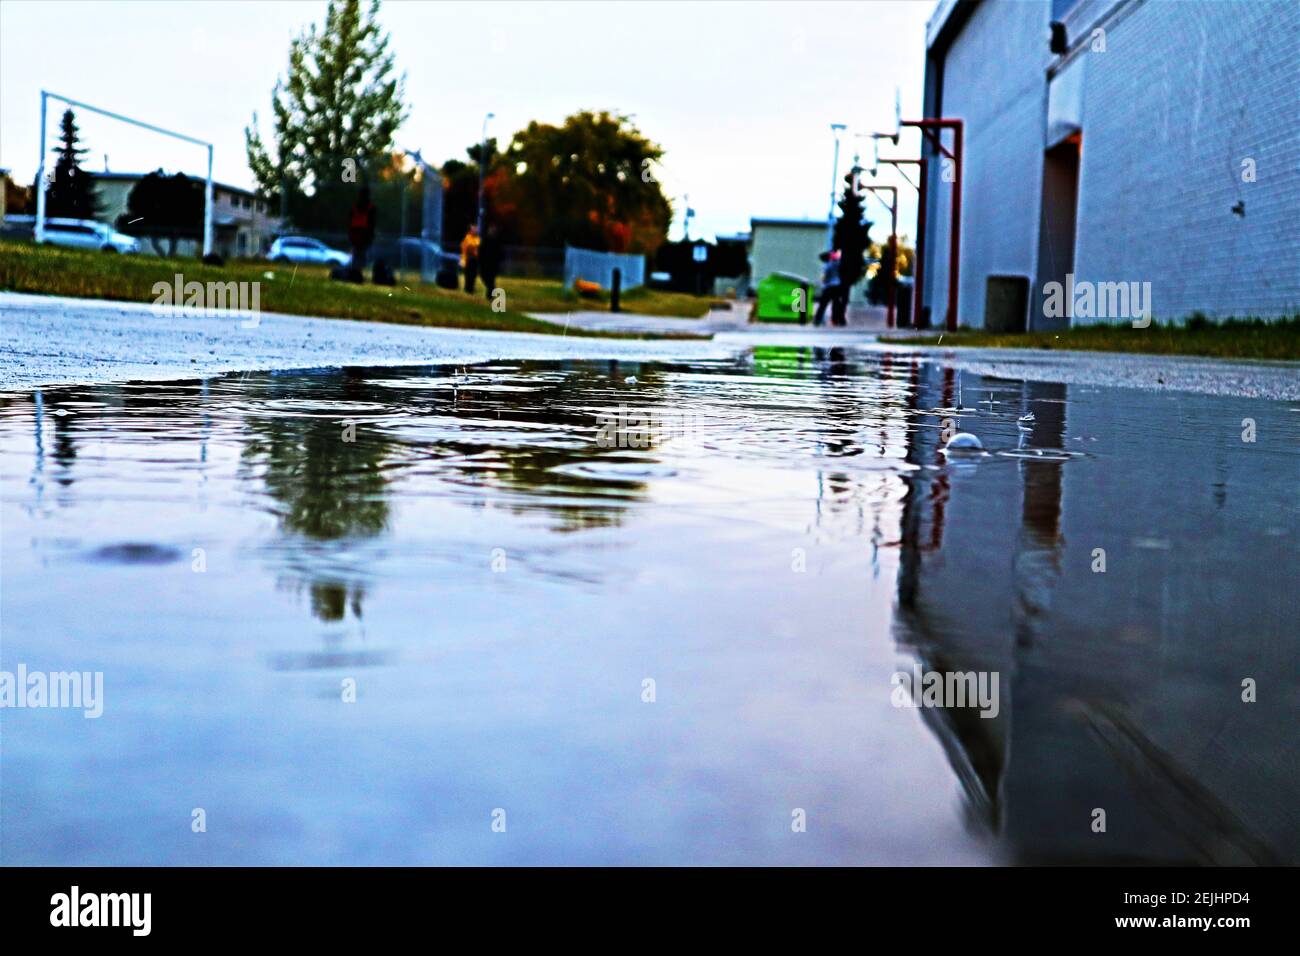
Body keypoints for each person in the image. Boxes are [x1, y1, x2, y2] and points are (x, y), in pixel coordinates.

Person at [347, 186, 377, 281]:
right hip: (364, 237)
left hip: (355, 237)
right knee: (363, 257)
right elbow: (372, 224)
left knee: (357, 256)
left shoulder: (355, 207)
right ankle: (358, 275)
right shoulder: (371, 208)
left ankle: (356, 274)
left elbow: (349, 222)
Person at [813, 250, 841, 327]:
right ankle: (835, 320)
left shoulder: (827, 265)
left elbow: (824, 277)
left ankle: (817, 320)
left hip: (829, 287)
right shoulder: (837, 263)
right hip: (837, 286)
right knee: (835, 304)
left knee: (823, 304)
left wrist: (821, 282)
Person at [479, 224, 503, 300]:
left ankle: (489, 295)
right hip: (485, 264)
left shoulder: (497, 241)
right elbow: (481, 251)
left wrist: (499, 261)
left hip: (493, 264)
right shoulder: (485, 240)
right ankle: (491, 291)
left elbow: (500, 253)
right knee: (484, 278)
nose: (492, 232)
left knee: (491, 280)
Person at [460, 225, 480, 293]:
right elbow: (469, 247)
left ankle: (471, 287)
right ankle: (468, 288)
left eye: (476, 229)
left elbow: (479, 246)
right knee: (468, 274)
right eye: (473, 229)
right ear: (470, 230)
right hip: (469, 259)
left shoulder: (477, 238)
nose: (475, 230)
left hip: (475, 259)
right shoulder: (467, 238)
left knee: (473, 274)